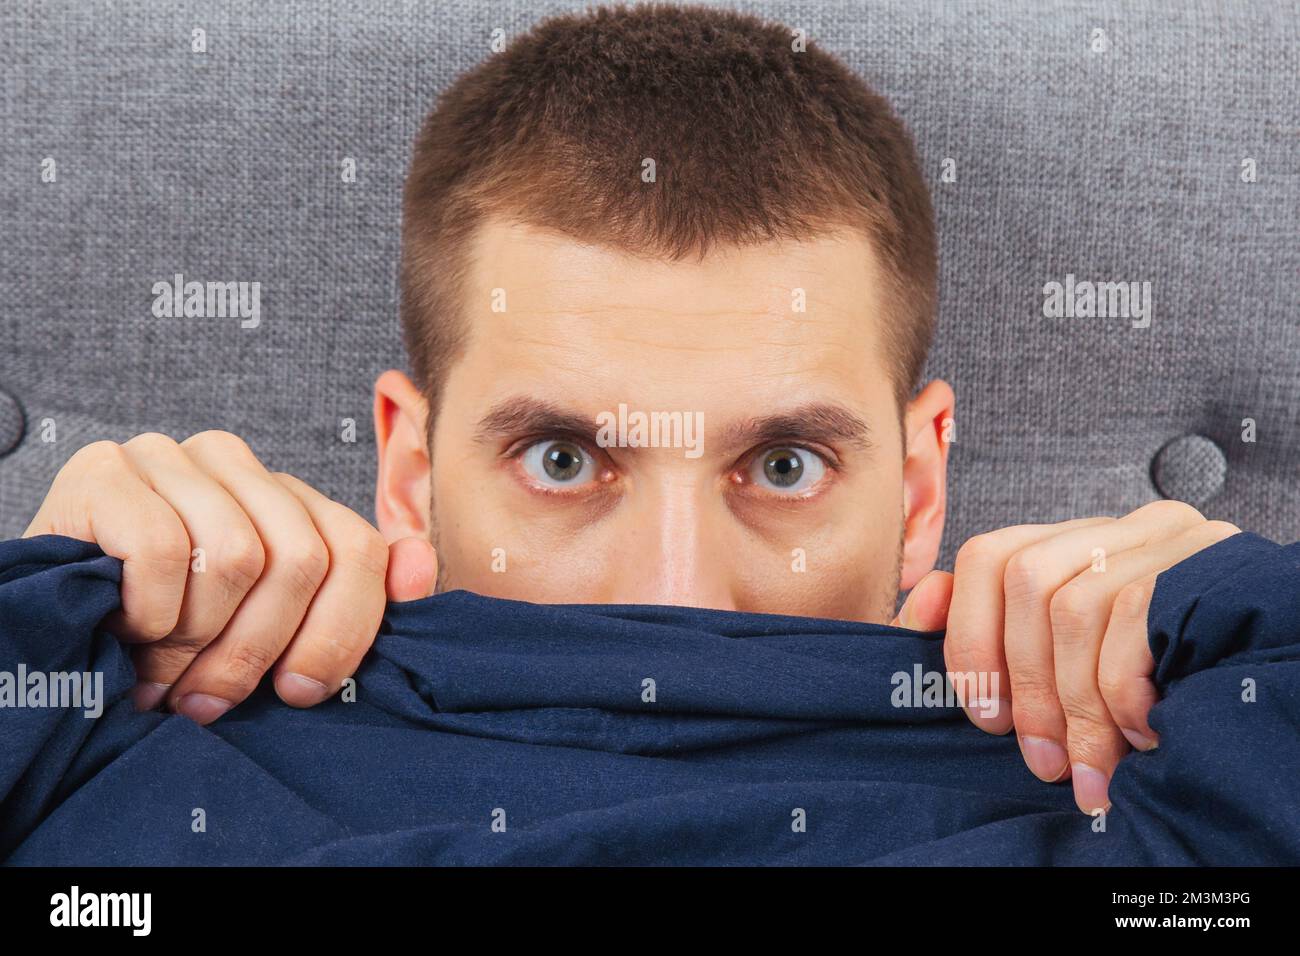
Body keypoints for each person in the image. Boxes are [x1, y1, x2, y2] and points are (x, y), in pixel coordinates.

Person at [20, 5, 1241, 815]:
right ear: (408, 476)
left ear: (919, 494)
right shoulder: (141, 762)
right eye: (561, 459)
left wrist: (1234, 628)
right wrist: (49, 618)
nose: (675, 594)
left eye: (783, 466)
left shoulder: (1123, 796)